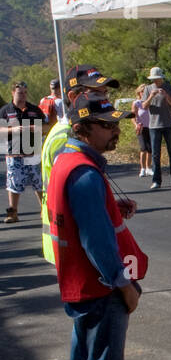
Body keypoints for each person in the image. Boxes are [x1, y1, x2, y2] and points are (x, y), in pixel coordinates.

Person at [47, 93, 147, 360]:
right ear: (83, 127)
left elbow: (83, 220)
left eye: (116, 123)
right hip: (98, 288)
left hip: (81, 284)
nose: (115, 130)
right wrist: (124, 285)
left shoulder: (69, 162)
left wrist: (112, 210)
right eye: (107, 125)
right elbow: (96, 241)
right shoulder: (84, 173)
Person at [40, 67, 119, 264]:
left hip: (73, 240)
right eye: (96, 93)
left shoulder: (67, 130)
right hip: (73, 244)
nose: (104, 98)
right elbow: (76, 185)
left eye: (105, 93)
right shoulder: (65, 136)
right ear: (74, 96)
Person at [1, 82, 45, 224]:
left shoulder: (34, 110)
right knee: (13, 184)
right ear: (13, 93)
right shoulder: (5, 110)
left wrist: (35, 127)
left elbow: (46, 126)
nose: (23, 95)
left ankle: (45, 211)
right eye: (20, 93)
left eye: (25, 92)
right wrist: (12, 130)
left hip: (33, 154)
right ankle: (12, 213)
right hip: (14, 154)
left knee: (39, 184)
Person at [142, 66, 171, 189]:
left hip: (168, 124)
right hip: (154, 126)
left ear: (161, 78)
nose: (155, 81)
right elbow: (143, 106)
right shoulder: (148, 89)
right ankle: (156, 181)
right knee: (155, 155)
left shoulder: (169, 88)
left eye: (157, 79)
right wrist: (151, 96)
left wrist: (166, 95)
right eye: (153, 79)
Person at [133, 85, 153, 177]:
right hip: (141, 127)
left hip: (151, 127)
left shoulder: (151, 102)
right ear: (139, 93)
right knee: (143, 147)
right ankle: (142, 168)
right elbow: (132, 117)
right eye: (142, 92)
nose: (144, 94)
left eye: (145, 92)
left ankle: (148, 168)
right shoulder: (136, 103)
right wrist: (136, 125)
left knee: (150, 148)